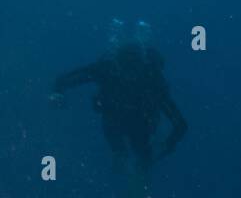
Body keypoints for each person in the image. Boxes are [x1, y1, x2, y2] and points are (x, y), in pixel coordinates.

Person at [51, 20, 187, 174]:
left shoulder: (151, 80)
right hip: (118, 120)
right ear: (117, 64)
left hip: (138, 122)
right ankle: (126, 157)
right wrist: (167, 145)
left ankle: (134, 159)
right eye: (127, 68)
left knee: (140, 148)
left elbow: (180, 124)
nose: (130, 76)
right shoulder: (109, 70)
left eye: (134, 69)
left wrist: (166, 146)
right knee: (126, 143)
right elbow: (180, 124)